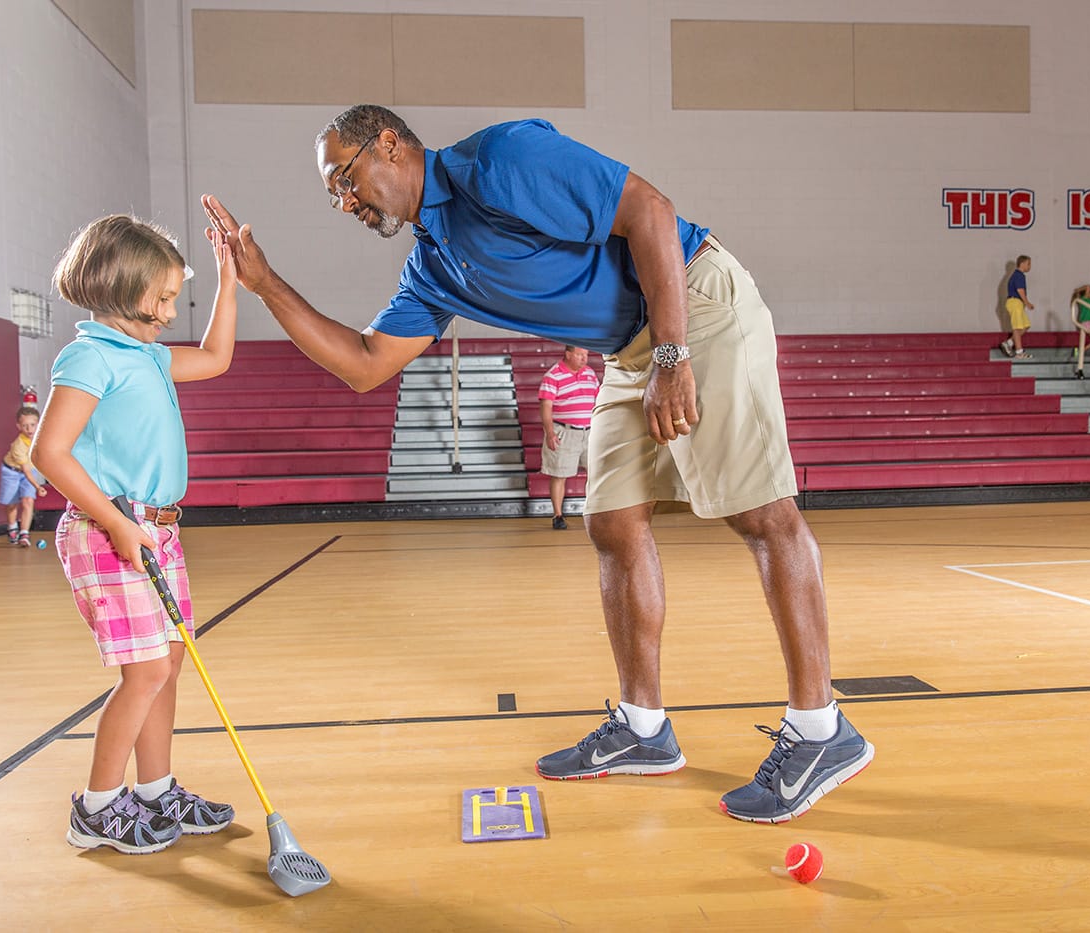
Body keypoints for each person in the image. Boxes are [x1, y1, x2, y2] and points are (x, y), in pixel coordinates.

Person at [203, 104, 874, 824]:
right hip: (629, 347)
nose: (344, 201)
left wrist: (673, 356)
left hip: (693, 306)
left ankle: (821, 728)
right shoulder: (435, 263)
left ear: (389, 145)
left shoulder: (499, 163)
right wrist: (265, 285)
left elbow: (651, 211)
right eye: (332, 191)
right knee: (612, 524)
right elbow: (366, 365)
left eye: (344, 177)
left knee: (761, 512)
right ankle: (645, 727)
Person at [30, 214, 240, 854]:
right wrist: (118, 522)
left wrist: (230, 281)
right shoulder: (89, 355)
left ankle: (156, 790)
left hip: (158, 531)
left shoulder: (144, 353)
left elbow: (216, 358)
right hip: (108, 529)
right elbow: (50, 453)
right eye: (165, 296)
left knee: (168, 667)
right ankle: (95, 809)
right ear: (123, 286)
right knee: (145, 672)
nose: (173, 308)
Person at [538, 344, 599, 530]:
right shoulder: (553, 375)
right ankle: (558, 515)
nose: (584, 358)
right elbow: (546, 407)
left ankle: (597, 512)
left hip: (589, 431)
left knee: (597, 474)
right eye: (580, 354)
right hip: (564, 431)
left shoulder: (590, 373)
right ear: (568, 354)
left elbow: (599, 400)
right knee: (559, 474)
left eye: (586, 354)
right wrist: (549, 433)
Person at [0, 405, 48, 546]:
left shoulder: (40, 439)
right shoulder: (18, 445)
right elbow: (25, 470)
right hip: (12, 472)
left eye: (33, 425)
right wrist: (38, 486)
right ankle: (12, 526)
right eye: (25, 426)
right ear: (19, 426)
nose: (30, 429)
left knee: (28, 500)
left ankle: (24, 533)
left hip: (29, 471)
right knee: (12, 504)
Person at [1000, 255, 1033, 360]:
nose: (1030, 266)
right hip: (1015, 302)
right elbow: (1020, 290)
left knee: (1025, 326)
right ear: (1022, 264)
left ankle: (1008, 343)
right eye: (1028, 264)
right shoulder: (1019, 275)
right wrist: (1027, 302)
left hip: (1018, 303)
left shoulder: (1019, 275)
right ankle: (1019, 352)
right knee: (1017, 327)